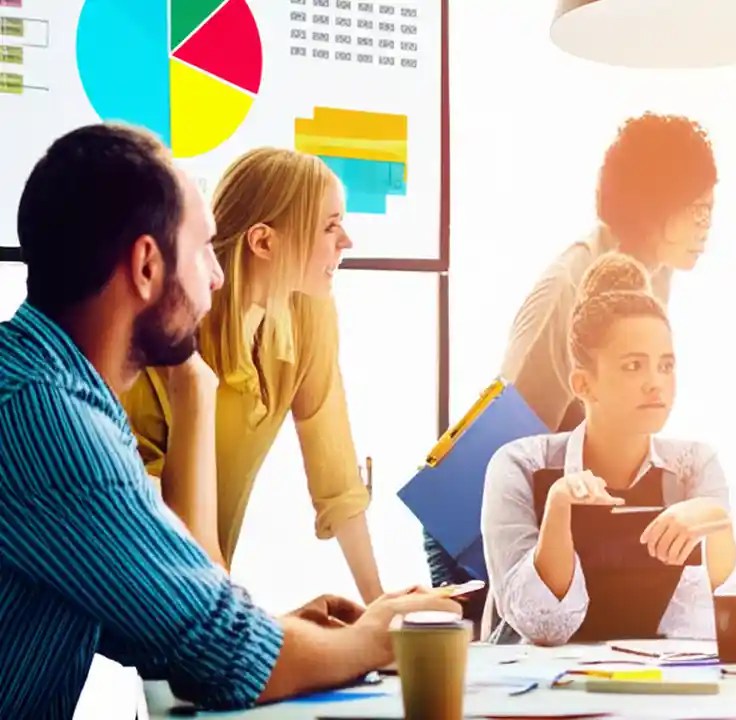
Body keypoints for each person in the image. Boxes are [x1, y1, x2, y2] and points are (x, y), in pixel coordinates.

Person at [0, 123, 459, 716]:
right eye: (201, 251)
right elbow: (216, 657)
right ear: (146, 266)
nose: (216, 276)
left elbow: (146, 619)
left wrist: (279, 630)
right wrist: (380, 635)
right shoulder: (55, 423)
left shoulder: (51, 388)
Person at [425, 112, 719, 623]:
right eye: (696, 210)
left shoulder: (654, 275)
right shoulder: (568, 286)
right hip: (469, 516)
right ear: (653, 209)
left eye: (709, 210)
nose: (706, 226)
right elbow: (510, 450)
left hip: (548, 508)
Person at [121, 147, 385, 603]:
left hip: (214, 594)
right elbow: (155, 524)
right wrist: (245, 626)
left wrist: (382, 608)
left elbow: (337, 476)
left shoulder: (309, 311)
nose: (347, 241)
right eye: (329, 225)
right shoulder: (170, 338)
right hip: (152, 585)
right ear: (263, 242)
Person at [481, 253, 736, 646]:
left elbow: (716, 623)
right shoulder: (519, 465)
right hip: (536, 692)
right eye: (634, 366)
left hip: (651, 687)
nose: (656, 383)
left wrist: (715, 519)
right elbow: (542, 629)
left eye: (666, 366)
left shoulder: (695, 465)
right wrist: (558, 508)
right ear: (583, 385)